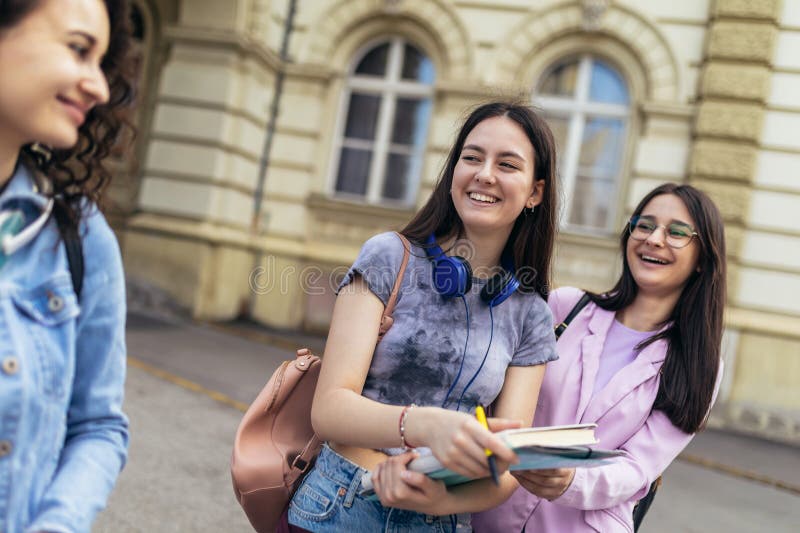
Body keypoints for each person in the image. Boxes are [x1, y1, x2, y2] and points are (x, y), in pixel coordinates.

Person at [287, 101, 560, 531]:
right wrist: (424, 425)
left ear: (535, 192)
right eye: (472, 157)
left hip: (440, 521)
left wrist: (441, 501)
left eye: (507, 164)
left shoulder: (532, 315)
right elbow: (329, 409)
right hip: (339, 506)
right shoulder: (388, 256)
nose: (484, 174)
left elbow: (504, 468)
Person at [472, 183, 727, 532]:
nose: (653, 239)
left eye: (677, 232)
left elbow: (638, 466)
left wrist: (571, 481)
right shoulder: (566, 308)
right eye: (644, 225)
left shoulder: (700, 366)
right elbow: (485, 364)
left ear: (703, 259)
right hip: (489, 512)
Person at [0, 1, 135, 531]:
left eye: (101, 62)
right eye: (79, 50)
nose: (98, 86)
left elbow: (97, 426)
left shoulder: (78, 238)